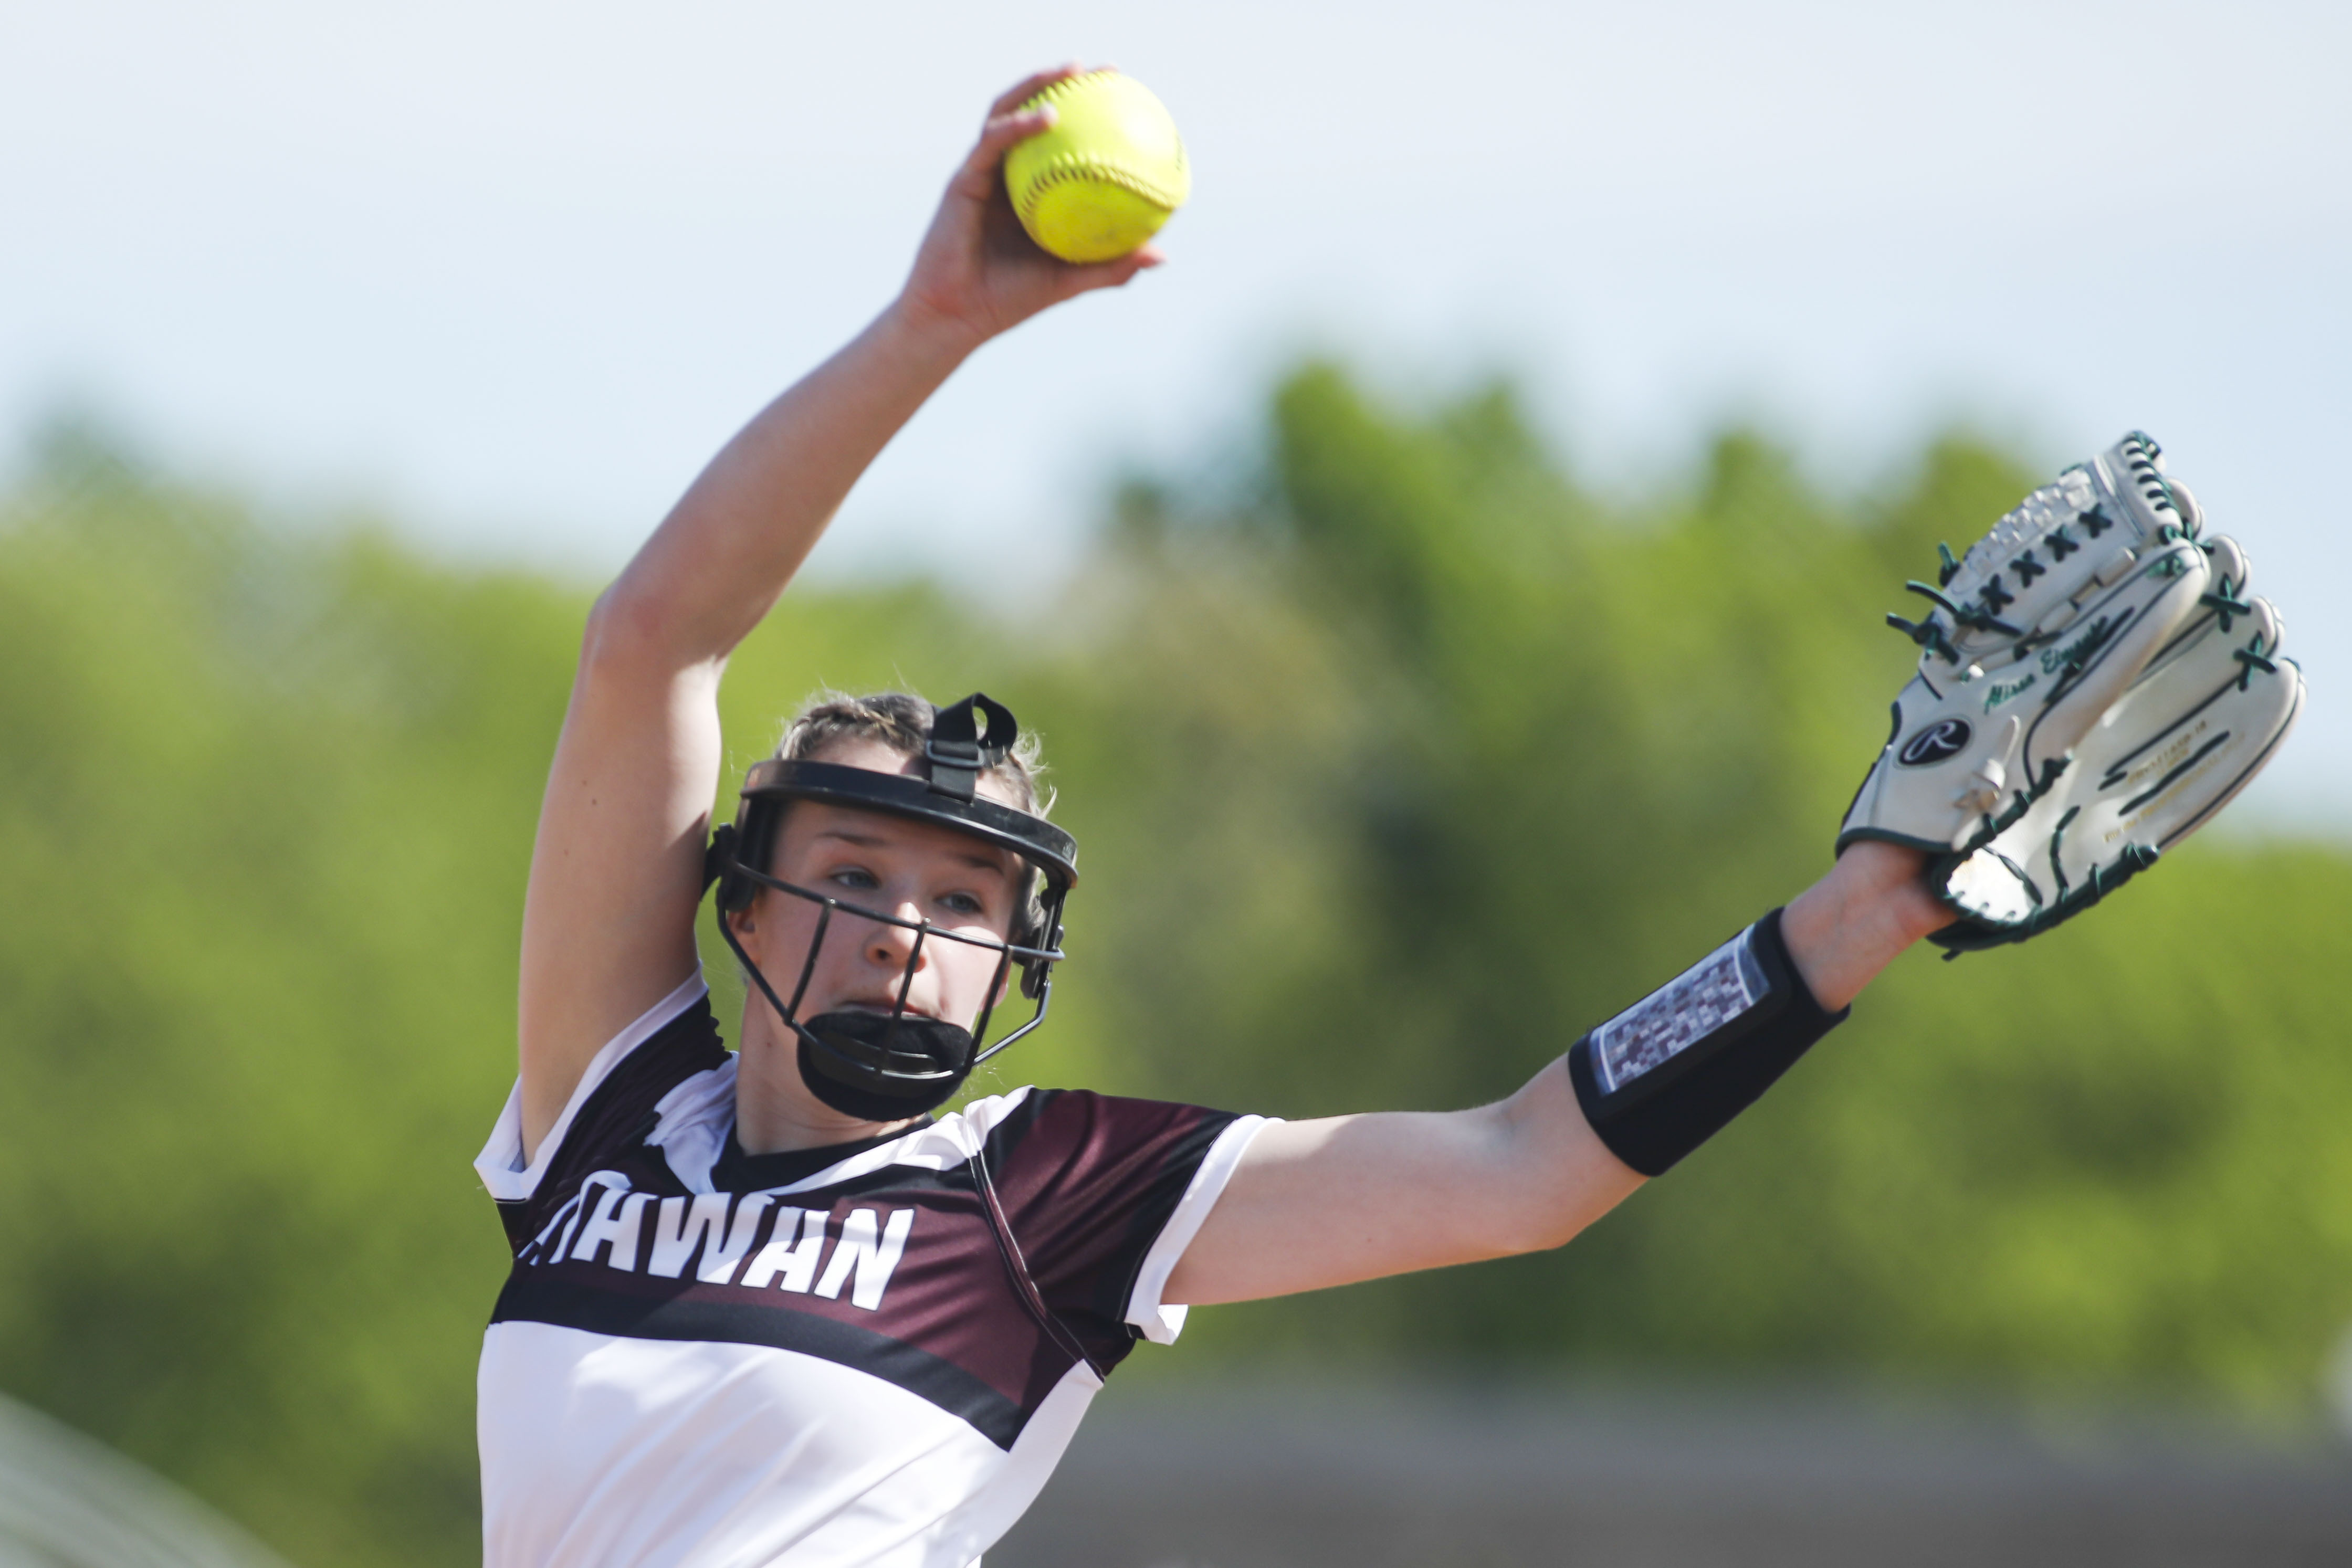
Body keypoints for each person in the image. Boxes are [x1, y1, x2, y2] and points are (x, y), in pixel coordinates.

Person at [472, 65, 1953, 1568]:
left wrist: (1862, 914)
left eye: (970, 904)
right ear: (745, 905)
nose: (911, 934)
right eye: (856, 872)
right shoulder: (616, 1117)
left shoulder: (1032, 1198)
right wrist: (934, 329)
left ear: (1013, 960)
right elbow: (651, 640)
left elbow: (1525, 1168)